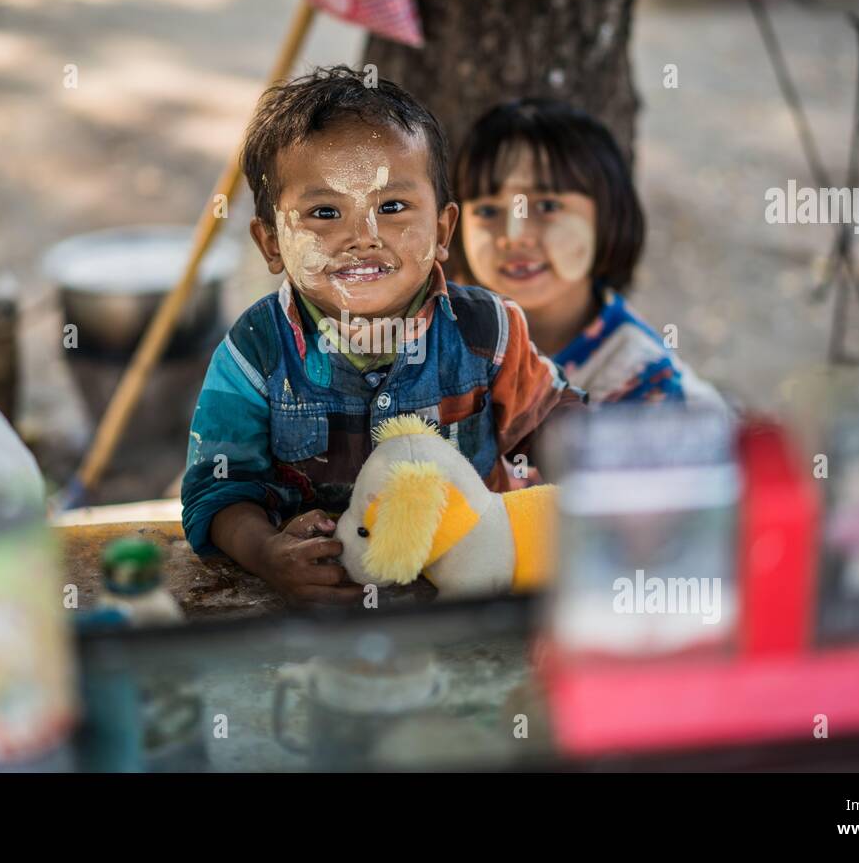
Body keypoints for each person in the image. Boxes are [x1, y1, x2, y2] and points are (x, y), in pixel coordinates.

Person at [181, 68, 584, 604]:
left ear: (441, 231)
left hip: (469, 601)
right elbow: (218, 488)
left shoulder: (490, 332)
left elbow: (563, 430)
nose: (362, 237)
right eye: (325, 213)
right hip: (320, 608)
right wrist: (267, 554)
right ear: (272, 242)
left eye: (391, 208)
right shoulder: (255, 351)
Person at [453, 97, 722, 406]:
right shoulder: (438, 331)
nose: (514, 237)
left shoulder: (644, 390)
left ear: (607, 216)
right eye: (488, 211)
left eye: (547, 206)